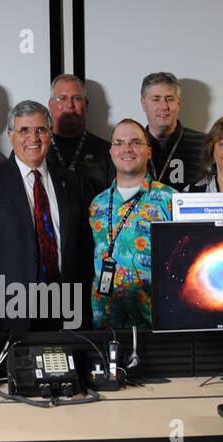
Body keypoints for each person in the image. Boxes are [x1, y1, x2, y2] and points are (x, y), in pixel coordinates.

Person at [0, 100, 90, 331]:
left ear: (50, 134)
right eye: (24, 130)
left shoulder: (73, 183)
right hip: (10, 310)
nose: (34, 137)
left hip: (67, 309)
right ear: (11, 135)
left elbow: (83, 249)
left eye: (41, 129)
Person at [89, 119, 174, 329]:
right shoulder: (96, 204)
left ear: (149, 151)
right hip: (105, 321)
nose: (126, 149)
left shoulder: (170, 199)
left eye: (135, 142)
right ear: (111, 152)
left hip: (156, 320)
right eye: (119, 143)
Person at [47, 74, 114, 202]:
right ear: (50, 104)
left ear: (86, 104)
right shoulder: (37, 149)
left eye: (76, 98)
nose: (69, 105)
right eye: (62, 98)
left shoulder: (107, 151)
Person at [140, 72, 205, 191]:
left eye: (169, 99)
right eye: (156, 99)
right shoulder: (130, 147)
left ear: (178, 103)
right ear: (143, 104)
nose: (164, 106)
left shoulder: (206, 144)